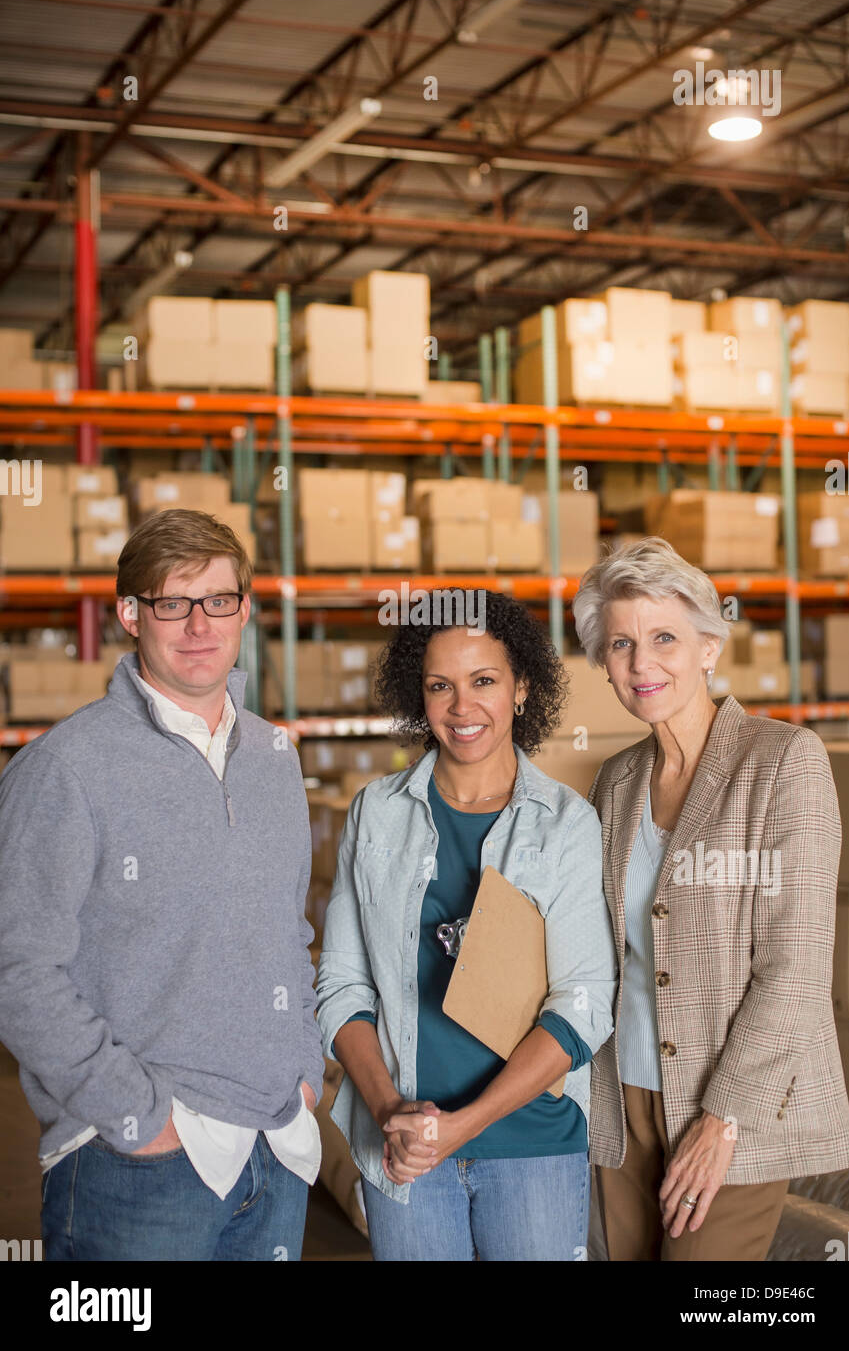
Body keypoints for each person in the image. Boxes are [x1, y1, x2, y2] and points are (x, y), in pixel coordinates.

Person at [0, 508, 323, 1261]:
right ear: (130, 615)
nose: (199, 625)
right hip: (135, 1167)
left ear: (245, 610)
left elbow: (290, 931)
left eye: (218, 600)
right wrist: (137, 1115)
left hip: (275, 1146)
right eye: (172, 603)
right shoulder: (65, 767)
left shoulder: (274, 758)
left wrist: (303, 1070)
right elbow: (17, 967)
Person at [572, 536, 849, 1262]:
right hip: (624, 1097)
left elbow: (795, 969)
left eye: (664, 638)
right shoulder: (616, 781)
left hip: (733, 1101)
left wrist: (722, 1117)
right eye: (620, 644)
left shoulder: (782, 762)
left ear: (709, 646)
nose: (642, 663)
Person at [315, 590, 617, 1261]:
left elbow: (584, 1002)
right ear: (417, 695)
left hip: (533, 1144)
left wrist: (465, 1124)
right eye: (439, 686)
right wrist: (389, 1111)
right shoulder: (376, 813)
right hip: (404, 1145)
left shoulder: (566, 824)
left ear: (520, 689)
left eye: (483, 681)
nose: (461, 706)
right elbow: (341, 985)